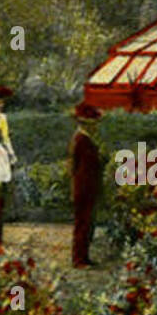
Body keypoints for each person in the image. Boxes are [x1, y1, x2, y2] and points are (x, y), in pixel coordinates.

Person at [68, 103, 103, 268]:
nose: (95, 127)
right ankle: (78, 259)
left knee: (87, 225)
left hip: (88, 187)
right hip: (83, 188)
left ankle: (84, 256)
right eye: (92, 123)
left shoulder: (85, 139)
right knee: (83, 225)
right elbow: (76, 167)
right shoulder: (81, 140)